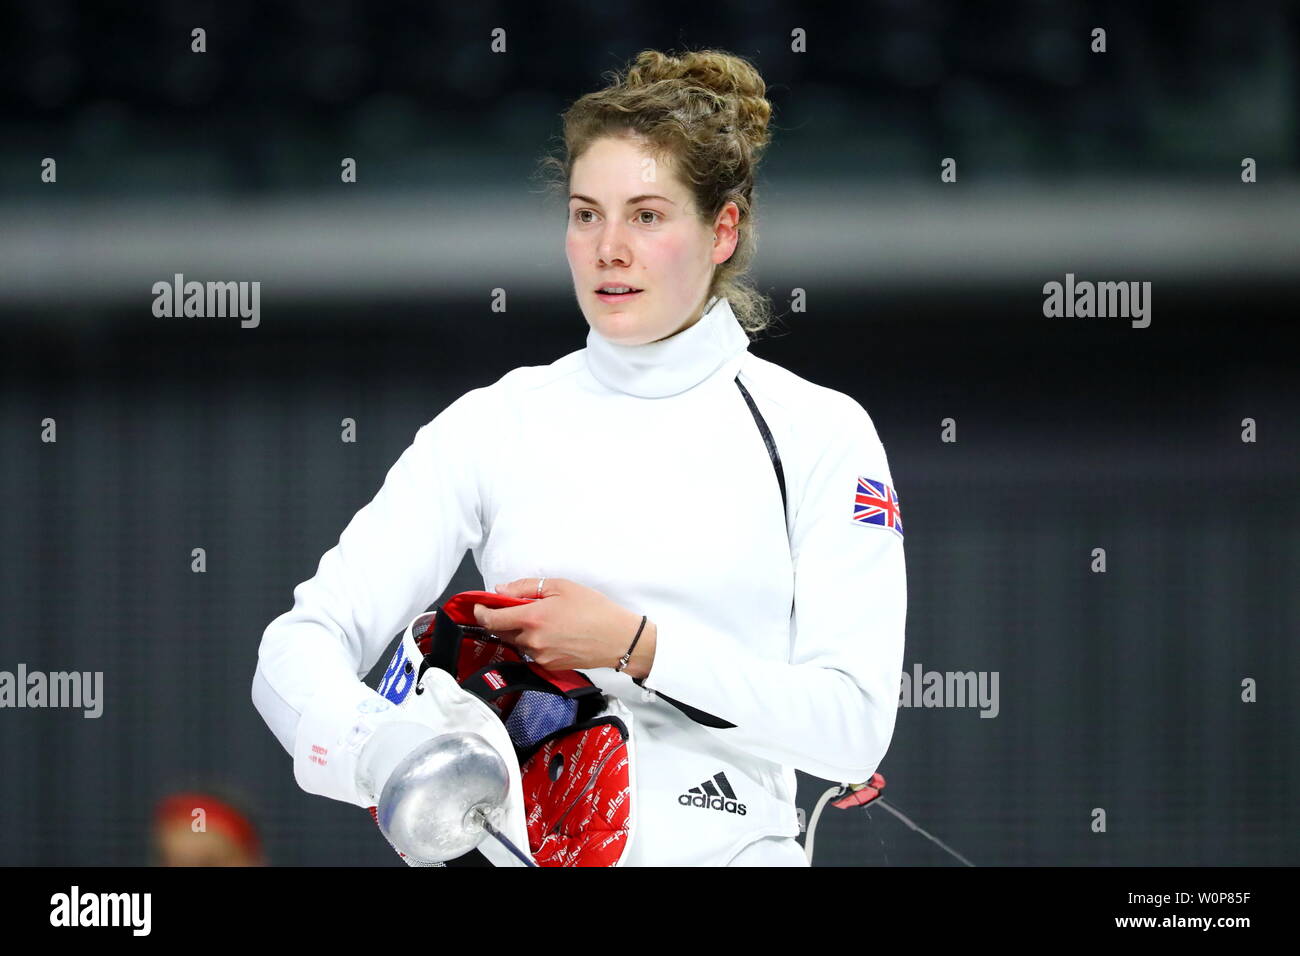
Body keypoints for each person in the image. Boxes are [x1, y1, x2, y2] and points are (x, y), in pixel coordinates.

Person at [251, 47, 906, 867]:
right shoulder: (494, 424)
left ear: (723, 230)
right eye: (587, 213)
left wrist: (634, 644)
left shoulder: (817, 432)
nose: (609, 249)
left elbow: (852, 729)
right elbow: (297, 646)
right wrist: (389, 754)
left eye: (647, 215)